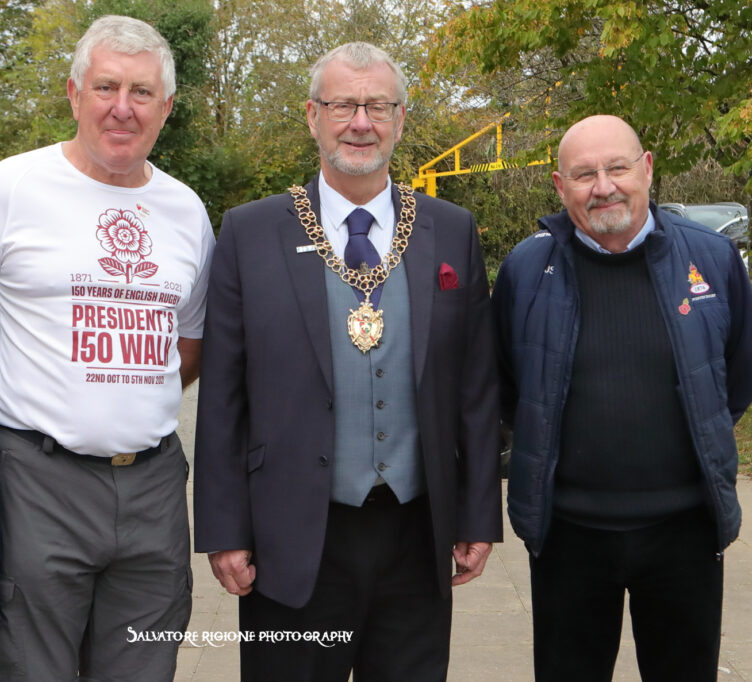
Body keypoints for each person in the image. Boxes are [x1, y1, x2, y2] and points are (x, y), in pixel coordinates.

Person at [194, 42, 502, 681]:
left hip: (418, 534)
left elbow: (476, 388)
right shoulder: (250, 233)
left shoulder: (450, 229)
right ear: (312, 115)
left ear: (400, 118)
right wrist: (223, 529)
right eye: (343, 105)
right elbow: (222, 396)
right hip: (292, 535)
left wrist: (478, 515)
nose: (360, 122)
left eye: (377, 106)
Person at [0, 15, 214, 682]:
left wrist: (127, 401)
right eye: (106, 87)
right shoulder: (8, 189)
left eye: (142, 92)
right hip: (36, 482)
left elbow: (192, 340)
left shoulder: (187, 212)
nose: (123, 108)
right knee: (29, 670)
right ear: (73, 93)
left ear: (167, 107)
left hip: (152, 488)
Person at [492, 114, 752, 682]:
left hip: (684, 532)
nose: (603, 186)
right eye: (584, 174)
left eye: (617, 167)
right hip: (568, 538)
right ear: (560, 188)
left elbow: (732, 379)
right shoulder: (525, 269)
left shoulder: (711, 259)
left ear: (648, 169)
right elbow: (514, 388)